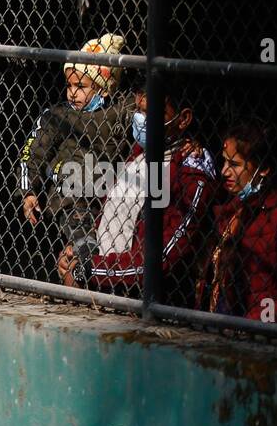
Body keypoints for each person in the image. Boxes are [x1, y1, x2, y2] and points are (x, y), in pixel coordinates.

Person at [56, 82, 218, 306]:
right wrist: (81, 249)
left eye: (151, 113)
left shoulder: (190, 174)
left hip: (138, 302)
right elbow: (109, 214)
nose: (141, 119)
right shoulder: (138, 152)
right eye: (139, 111)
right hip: (103, 286)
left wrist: (92, 271)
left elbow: (160, 258)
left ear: (183, 119)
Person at [19, 33, 136, 261]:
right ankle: (84, 242)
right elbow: (34, 152)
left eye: (80, 86)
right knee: (72, 193)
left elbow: (142, 106)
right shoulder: (59, 115)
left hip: (109, 184)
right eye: (69, 85)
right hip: (72, 189)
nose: (72, 92)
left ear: (103, 89)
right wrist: (28, 191)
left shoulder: (118, 111)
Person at [198, 120, 277, 326]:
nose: (225, 171)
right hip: (223, 326)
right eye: (224, 162)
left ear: (263, 169)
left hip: (263, 335)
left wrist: (256, 321)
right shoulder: (232, 209)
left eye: (234, 165)